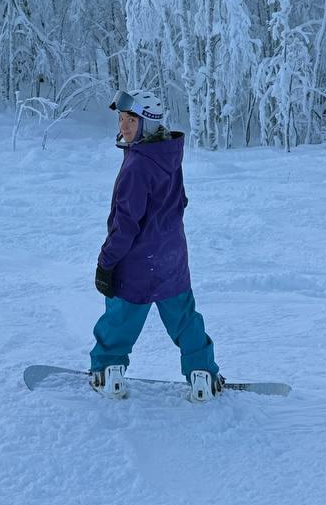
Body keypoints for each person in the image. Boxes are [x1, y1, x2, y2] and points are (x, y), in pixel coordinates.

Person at [90, 88, 225, 401]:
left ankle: (107, 370)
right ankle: (202, 372)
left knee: (119, 319)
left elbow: (125, 226)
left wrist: (106, 263)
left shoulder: (136, 166)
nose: (123, 126)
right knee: (184, 319)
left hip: (136, 264)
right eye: (122, 119)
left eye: (131, 121)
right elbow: (180, 201)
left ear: (147, 125)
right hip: (172, 258)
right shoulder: (168, 154)